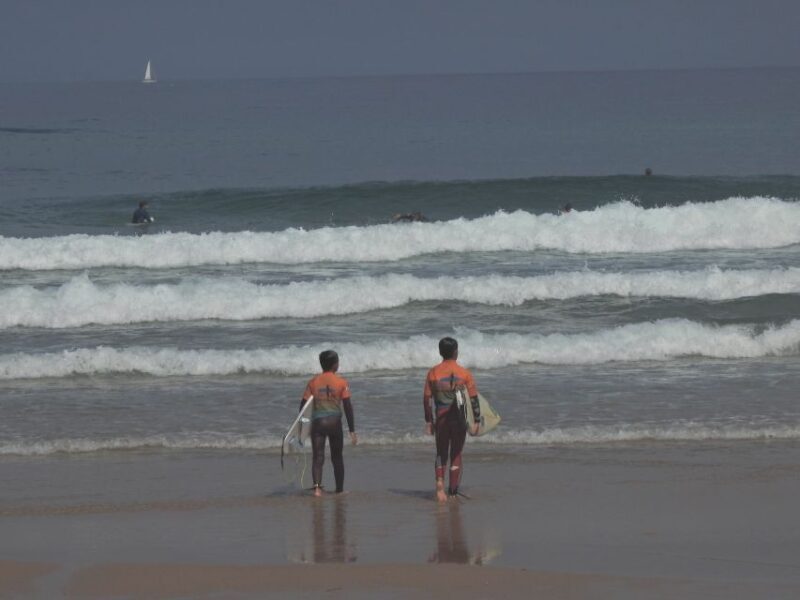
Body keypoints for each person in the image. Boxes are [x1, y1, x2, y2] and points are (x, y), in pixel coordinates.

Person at [423, 337, 480, 502]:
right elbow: (474, 400)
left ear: (440, 352)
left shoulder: (433, 373)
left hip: (441, 418)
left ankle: (440, 483)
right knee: (456, 452)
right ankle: (453, 491)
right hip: (459, 419)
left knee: (441, 452)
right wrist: (476, 421)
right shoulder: (464, 373)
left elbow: (426, 399)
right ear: (456, 352)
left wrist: (429, 421)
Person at [301, 350, 357, 497]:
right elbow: (348, 407)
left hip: (318, 423)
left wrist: (303, 425)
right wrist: (352, 430)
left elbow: (303, 406)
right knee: (337, 457)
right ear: (335, 365)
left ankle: (317, 489)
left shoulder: (313, 382)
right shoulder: (341, 382)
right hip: (334, 423)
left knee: (318, 457)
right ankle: (339, 490)